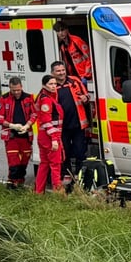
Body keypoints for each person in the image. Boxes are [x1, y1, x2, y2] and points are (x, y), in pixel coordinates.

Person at [50, 61, 89, 189]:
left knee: (80, 152)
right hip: (61, 128)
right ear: (52, 73)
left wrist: (85, 98)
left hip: (78, 124)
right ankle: (66, 178)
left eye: (63, 70)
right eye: (58, 71)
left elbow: (87, 95)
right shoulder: (51, 86)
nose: (61, 73)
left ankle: (79, 177)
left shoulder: (74, 81)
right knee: (64, 153)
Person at [0, 77, 35, 189]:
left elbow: (34, 114)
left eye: (18, 90)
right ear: (10, 88)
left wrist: (28, 125)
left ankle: (20, 182)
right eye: (14, 90)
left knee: (24, 163)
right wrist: (11, 125)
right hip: (11, 136)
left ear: (21, 87)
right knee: (14, 163)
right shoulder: (4, 99)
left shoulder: (29, 98)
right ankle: (12, 184)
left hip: (26, 135)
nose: (16, 92)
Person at [32, 75, 64, 195]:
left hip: (44, 137)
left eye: (55, 84)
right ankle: (58, 193)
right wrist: (54, 139)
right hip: (49, 138)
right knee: (55, 166)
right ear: (44, 85)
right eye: (51, 84)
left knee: (44, 164)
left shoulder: (46, 97)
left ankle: (38, 191)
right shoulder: (46, 99)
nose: (54, 86)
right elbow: (47, 121)